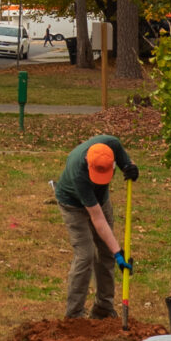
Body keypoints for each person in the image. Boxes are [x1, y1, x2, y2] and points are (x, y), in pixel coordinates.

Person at [52, 133, 138, 320]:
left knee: (106, 253)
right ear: (87, 162)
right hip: (72, 204)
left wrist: (131, 168)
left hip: (101, 200)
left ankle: (103, 309)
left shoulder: (112, 145)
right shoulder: (79, 173)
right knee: (86, 255)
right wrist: (119, 252)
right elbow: (98, 219)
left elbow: (128, 163)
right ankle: (74, 315)